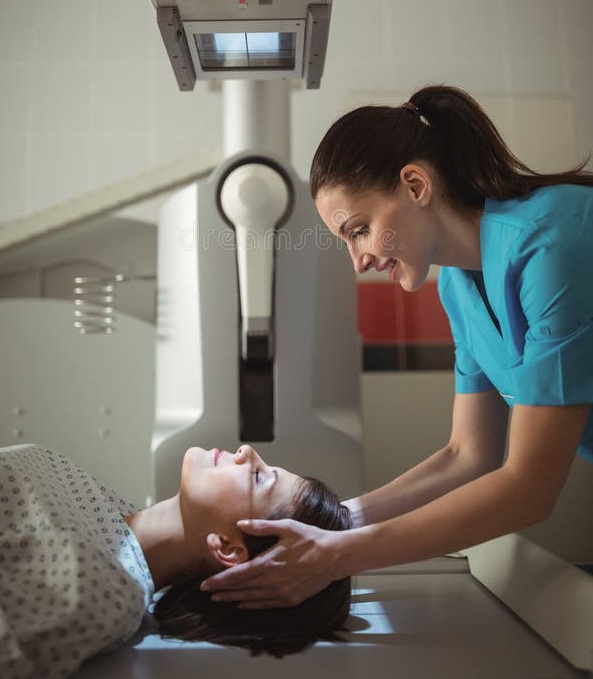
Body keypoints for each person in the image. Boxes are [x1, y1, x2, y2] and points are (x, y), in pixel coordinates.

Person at [200, 84, 593, 610]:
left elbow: (529, 487)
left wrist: (337, 555)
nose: (358, 260)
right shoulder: (458, 285)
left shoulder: (551, 241)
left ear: (415, 185)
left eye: (358, 230)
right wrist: (338, 519)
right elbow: (467, 455)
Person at [0, 442, 351, 678]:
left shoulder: (98, 592)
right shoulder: (104, 511)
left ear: (228, 548)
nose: (247, 451)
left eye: (259, 477)